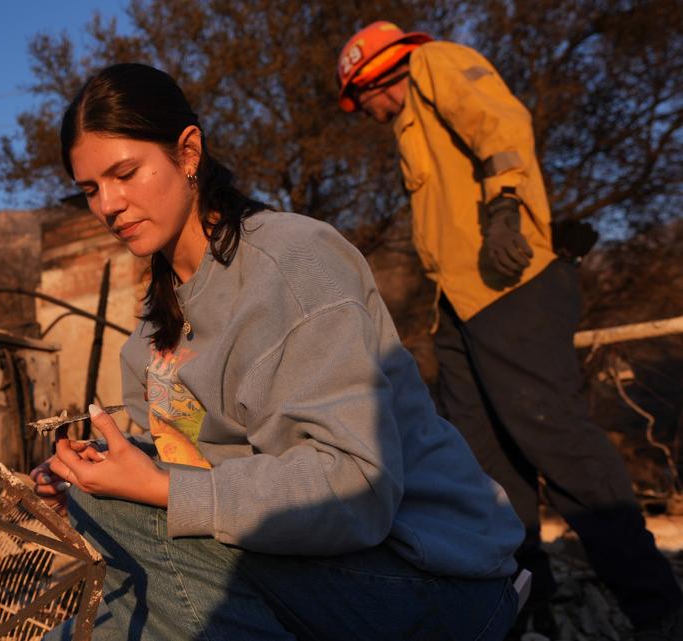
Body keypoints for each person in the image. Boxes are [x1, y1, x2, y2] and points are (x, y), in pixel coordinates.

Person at [33, 62, 524, 641]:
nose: (109, 205)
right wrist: (94, 471)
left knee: (121, 518)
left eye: (126, 173)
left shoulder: (293, 265)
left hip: (426, 576)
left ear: (188, 152)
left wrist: (152, 490)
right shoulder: (148, 335)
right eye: (91, 189)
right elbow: (179, 468)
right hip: (300, 569)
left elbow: (357, 488)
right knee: (85, 610)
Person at [335, 21, 683, 639]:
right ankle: (524, 603)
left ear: (374, 75)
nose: (366, 114)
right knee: (481, 463)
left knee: (556, 439)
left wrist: (505, 210)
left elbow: (502, 122)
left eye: (360, 100)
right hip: (462, 308)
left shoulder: (435, 64)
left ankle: (657, 607)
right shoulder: (411, 120)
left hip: (511, 289)